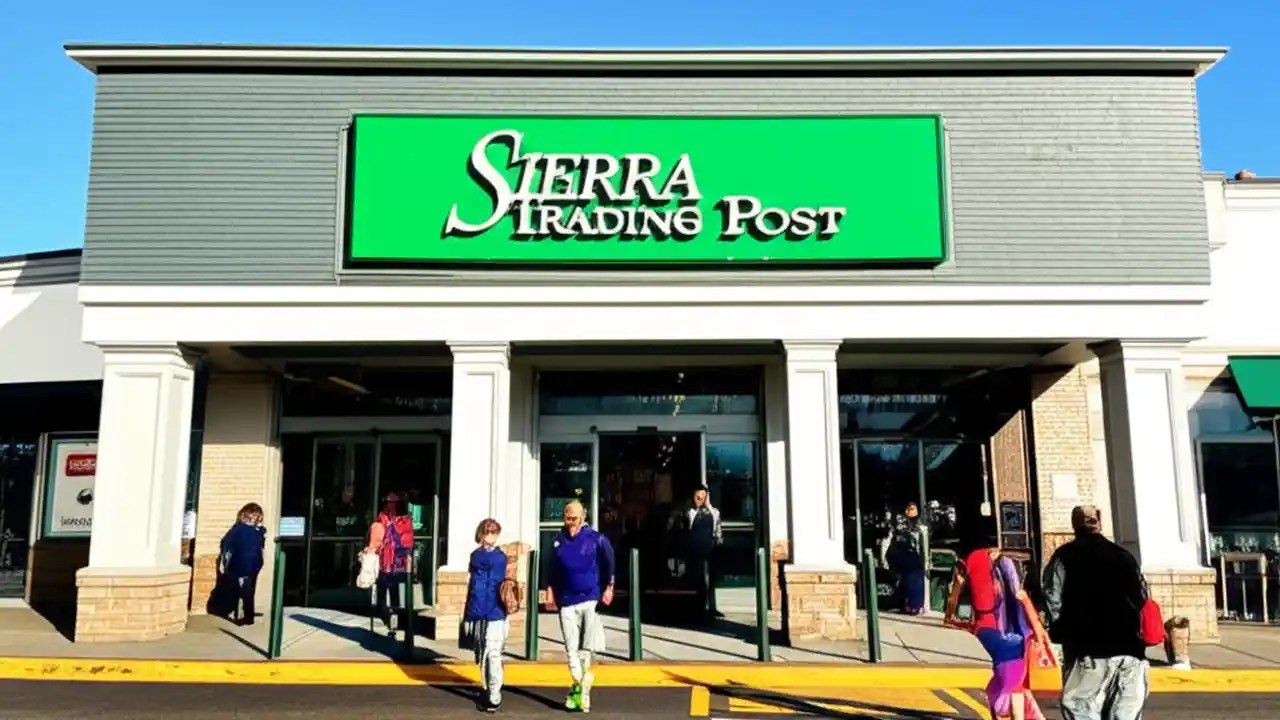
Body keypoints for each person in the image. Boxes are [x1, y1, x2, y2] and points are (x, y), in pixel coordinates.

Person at [1042, 505, 1149, 720]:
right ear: (1098, 524)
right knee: (1124, 713)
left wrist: (1059, 632)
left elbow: (1053, 599)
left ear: (1074, 525)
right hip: (1130, 651)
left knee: (1080, 708)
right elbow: (1142, 596)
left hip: (1088, 649)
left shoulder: (1065, 557)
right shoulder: (1124, 556)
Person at [944, 547, 1052, 720]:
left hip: (985, 632)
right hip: (1009, 636)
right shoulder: (1005, 567)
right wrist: (1039, 633)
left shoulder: (971, 563)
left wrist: (949, 615)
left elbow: (955, 591)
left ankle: (1007, 713)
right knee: (1011, 685)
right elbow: (1020, 596)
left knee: (1011, 682)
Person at [548, 500, 615, 714]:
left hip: (589, 598)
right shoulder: (558, 541)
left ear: (583, 516)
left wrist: (609, 587)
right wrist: (550, 589)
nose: (570, 522)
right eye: (567, 517)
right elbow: (552, 568)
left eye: (574, 518)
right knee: (571, 648)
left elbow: (609, 563)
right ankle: (580, 681)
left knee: (585, 648)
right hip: (566, 600)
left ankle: (582, 693)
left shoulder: (597, 539)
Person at [464, 518, 509, 713]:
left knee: (492, 651)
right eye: (488, 532)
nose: (492, 536)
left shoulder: (491, 557)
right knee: (483, 652)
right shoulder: (482, 556)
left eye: (494, 532)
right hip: (483, 609)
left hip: (494, 610)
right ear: (482, 534)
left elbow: (478, 573)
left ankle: (493, 693)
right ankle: (489, 689)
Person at [366, 492, 414, 638]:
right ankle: (391, 619)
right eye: (389, 502)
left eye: (393, 502)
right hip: (390, 563)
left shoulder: (395, 521)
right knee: (388, 595)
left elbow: (407, 543)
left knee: (393, 596)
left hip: (394, 563)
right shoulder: (388, 520)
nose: (391, 505)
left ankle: (393, 621)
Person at [219, 502, 266, 626]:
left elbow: (226, 545)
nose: (255, 521)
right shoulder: (244, 531)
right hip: (247, 565)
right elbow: (227, 546)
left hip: (245, 565)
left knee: (244, 591)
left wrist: (226, 563)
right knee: (246, 591)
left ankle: (245, 615)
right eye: (254, 517)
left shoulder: (239, 530)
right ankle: (245, 615)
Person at [684, 487, 723, 619]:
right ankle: (700, 607)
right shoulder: (689, 512)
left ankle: (711, 607)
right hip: (695, 551)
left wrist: (709, 505)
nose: (700, 500)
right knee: (699, 580)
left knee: (710, 580)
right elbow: (688, 527)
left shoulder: (713, 512)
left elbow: (716, 525)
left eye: (703, 497)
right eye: (697, 497)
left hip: (710, 550)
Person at [880, 502, 926, 615]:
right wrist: (883, 558)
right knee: (910, 577)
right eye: (911, 509)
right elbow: (887, 540)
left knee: (915, 577)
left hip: (910, 556)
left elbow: (920, 544)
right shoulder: (900, 523)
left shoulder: (917, 524)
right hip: (902, 555)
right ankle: (910, 605)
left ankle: (913, 605)